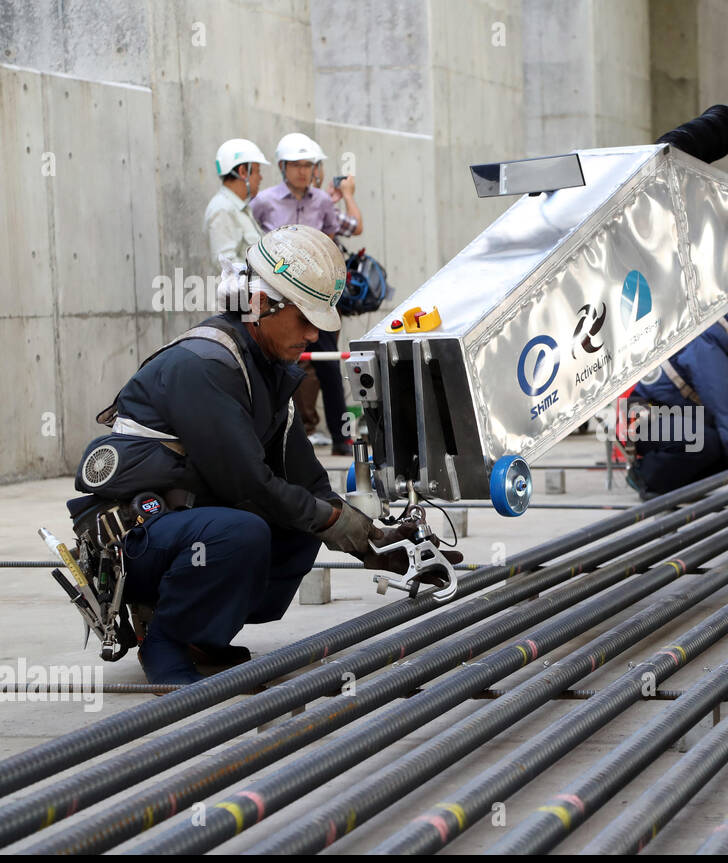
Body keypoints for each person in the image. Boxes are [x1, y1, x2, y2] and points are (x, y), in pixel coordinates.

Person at [68, 225, 452, 685]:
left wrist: (371, 539)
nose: (313, 335)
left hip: (182, 524)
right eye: (305, 320)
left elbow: (308, 484)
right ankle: (165, 639)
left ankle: (200, 635)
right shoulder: (205, 366)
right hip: (133, 534)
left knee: (301, 525)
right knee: (246, 530)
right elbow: (246, 483)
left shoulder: (268, 372)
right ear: (259, 304)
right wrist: (333, 522)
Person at [250, 132, 364, 455]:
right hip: (277, 296)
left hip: (316, 294)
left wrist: (347, 195)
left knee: (328, 364)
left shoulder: (323, 202)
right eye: (295, 165)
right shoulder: (263, 202)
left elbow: (350, 228)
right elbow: (251, 240)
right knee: (276, 362)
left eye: (308, 165)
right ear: (282, 167)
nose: (302, 171)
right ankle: (279, 438)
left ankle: (342, 439)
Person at [627, 279, 728, 498]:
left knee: (726, 443)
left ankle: (684, 481)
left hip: (681, 416)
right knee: (710, 443)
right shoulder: (709, 334)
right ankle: (646, 476)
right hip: (644, 417)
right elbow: (719, 395)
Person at [203, 138, 270, 272]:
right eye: (257, 171)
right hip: (239, 293)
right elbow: (226, 266)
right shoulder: (222, 209)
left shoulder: (241, 208)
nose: (260, 177)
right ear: (243, 172)